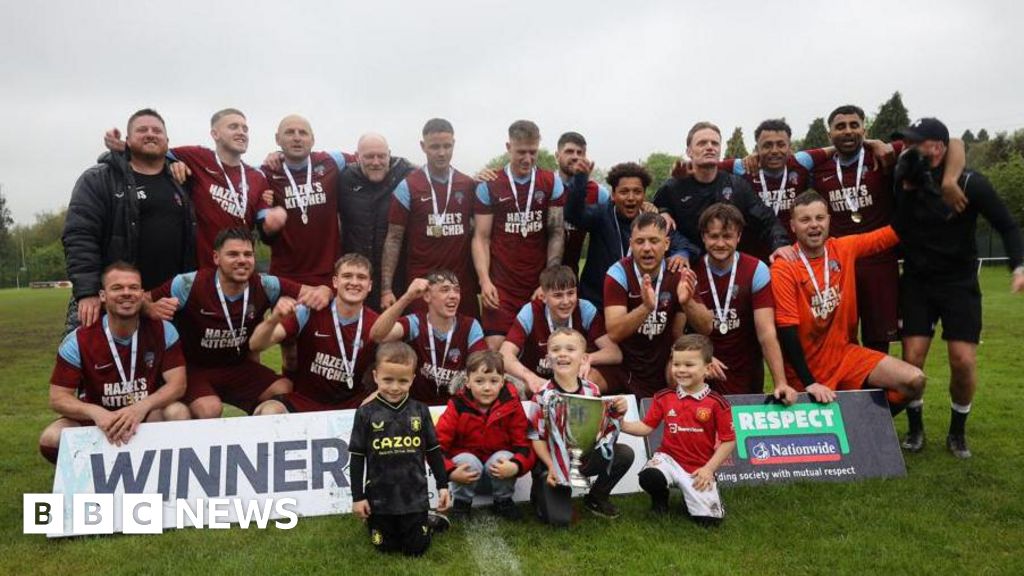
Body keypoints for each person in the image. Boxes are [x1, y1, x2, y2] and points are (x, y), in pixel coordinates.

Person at [891, 117, 1024, 457]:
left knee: (962, 361)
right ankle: (915, 429)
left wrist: (1019, 267)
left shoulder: (969, 182)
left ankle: (957, 432)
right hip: (917, 282)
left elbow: (1007, 226)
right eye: (906, 142)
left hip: (959, 283)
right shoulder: (904, 174)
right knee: (912, 358)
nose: (908, 147)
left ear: (937, 147)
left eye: (916, 142)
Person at [810, 104, 966, 353]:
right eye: (840, 127)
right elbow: (787, 162)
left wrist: (949, 180)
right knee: (837, 340)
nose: (848, 131)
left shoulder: (884, 154)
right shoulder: (819, 167)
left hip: (880, 261)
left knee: (878, 341)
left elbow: (954, 142)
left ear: (864, 130)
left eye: (854, 125)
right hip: (839, 265)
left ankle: (877, 381)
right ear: (829, 135)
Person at [147, 228, 332, 418]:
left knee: (283, 388)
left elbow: (317, 291)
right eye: (233, 254)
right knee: (209, 409)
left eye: (248, 254)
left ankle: (255, 431)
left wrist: (324, 291)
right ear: (216, 257)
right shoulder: (188, 284)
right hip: (195, 368)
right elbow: (144, 299)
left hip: (238, 366)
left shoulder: (265, 284)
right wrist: (150, 308)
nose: (242, 260)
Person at [771, 191, 925, 410]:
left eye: (819, 218)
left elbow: (890, 235)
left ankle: (868, 422)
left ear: (829, 220)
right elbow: (787, 331)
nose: (814, 225)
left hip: (845, 356)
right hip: (804, 370)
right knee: (826, 429)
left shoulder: (843, 248)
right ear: (793, 226)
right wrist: (809, 382)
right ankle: (854, 421)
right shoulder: (783, 267)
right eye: (805, 220)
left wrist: (915, 192)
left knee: (914, 381)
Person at [40, 263, 190, 463]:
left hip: (145, 416)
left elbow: (178, 385)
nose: (126, 293)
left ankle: (161, 474)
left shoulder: (164, 330)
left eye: (133, 287)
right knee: (51, 438)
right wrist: (95, 412)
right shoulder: (78, 340)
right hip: (97, 420)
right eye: (117, 288)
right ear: (103, 296)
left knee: (178, 412)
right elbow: (58, 398)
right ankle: (87, 475)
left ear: (142, 294)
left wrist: (141, 407)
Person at [63, 108, 196, 332]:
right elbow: (80, 237)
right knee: (99, 354)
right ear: (127, 141)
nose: (150, 134)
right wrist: (87, 292)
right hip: (115, 302)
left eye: (157, 131)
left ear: (167, 142)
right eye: (142, 130)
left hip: (169, 305)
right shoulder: (98, 179)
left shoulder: (183, 181)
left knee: (166, 355)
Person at [105, 108, 286, 269]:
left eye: (245, 129)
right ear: (215, 134)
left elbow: (264, 223)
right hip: (198, 270)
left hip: (238, 269)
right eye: (233, 127)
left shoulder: (257, 177)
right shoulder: (196, 156)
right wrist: (123, 146)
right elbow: (154, 152)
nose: (241, 132)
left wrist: (272, 223)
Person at [349, 342, 451, 556]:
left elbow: (433, 451)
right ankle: (377, 522)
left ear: (412, 379)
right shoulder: (365, 413)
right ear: (376, 376)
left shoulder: (420, 411)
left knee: (416, 550)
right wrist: (358, 497)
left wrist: (443, 485)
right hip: (380, 499)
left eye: (403, 381)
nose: (395, 387)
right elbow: (357, 457)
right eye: (388, 380)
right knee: (384, 548)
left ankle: (427, 520)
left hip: (414, 498)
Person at [621, 335, 736, 525]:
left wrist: (709, 469)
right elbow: (646, 427)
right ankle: (660, 500)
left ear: (707, 369)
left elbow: (729, 440)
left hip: (699, 467)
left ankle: (694, 495)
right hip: (669, 459)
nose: (681, 370)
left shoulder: (717, 403)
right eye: (676, 364)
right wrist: (622, 424)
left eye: (689, 365)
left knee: (708, 522)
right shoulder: (664, 397)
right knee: (650, 476)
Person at [473, 120, 566, 349]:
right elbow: (481, 237)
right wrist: (485, 281)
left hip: (537, 283)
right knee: (495, 348)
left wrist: (548, 281)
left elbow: (556, 233)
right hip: (501, 286)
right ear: (508, 147)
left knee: (540, 348)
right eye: (521, 152)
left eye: (533, 152)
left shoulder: (550, 182)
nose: (527, 159)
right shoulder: (490, 185)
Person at [525, 328, 634, 525]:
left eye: (570, 349)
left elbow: (600, 427)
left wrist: (619, 410)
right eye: (556, 350)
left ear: (583, 358)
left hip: (582, 457)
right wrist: (552, 466)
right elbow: (536, 438)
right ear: (548, 358)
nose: (562, 354)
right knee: (559, 520)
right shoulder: (541, 396)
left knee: (624, 454)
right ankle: (541, 490)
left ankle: (596, 498)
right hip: (552, 462)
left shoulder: (592, 390)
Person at [248, 254, 379, 415]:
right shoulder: (309, 310)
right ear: (335, 282)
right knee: (268, 411)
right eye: (347, 276)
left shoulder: (376, 324)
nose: (354, 282)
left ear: (370, 285)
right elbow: (256, 345)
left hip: (352, 405)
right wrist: (273, 319)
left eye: (361, 277)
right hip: (305, 401)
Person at [604, 212, 713, 398]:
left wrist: (687, 303)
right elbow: (614, 332)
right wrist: (646, 308)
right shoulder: (617, 274)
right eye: (640, 241)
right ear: (631, 244)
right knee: (594, 378)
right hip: (624, 365)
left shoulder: (678, 274)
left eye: (654, 241)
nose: (647, 248)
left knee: (681, 372)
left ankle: (684, 413)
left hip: (663, 362)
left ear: (667, 244)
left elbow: (706, 327)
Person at [692, 203, 794, 402]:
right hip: (704, 367)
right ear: (704, 237)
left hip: (746, 366)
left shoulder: (756, 270)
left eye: (727, 236)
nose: (720, 243)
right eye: (714, 236)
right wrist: (700, 357)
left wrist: (780, 382)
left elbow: (766, 332)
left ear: (738, 237)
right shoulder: (692, 271)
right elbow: (680, 332)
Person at [654, 121, 793, 263]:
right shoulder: (673, 187)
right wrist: (664, 212)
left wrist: (781, 244)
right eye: (702, 143)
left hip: (728, 267)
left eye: (714, 143)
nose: (709, 147)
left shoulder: (737, 186)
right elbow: (654, 217)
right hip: (688, 264)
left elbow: (766, 220)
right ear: (689, 151)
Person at [380, 119, 478, 316]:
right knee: (421, 334)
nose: (441, 153)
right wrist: (386, 289)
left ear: (454, 144)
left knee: (465, 333)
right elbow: (394, 238)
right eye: (434, 147)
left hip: (459, 285)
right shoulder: (407, 187)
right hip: (422, 285)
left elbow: (481, 233)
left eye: (447, 146)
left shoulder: (468, 184)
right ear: (423, 146)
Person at [566, 162, 688, 308]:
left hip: (638, 305)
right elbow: (572, 215)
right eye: (624, 192)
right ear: (613, 195)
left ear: (644, 194)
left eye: (637, 192)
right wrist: (580, 178)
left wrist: (681, 254)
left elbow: (682, 243)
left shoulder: (653, 220)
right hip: (599, 303)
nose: (631, 197)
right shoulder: (601, 215)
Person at [435, 350, 533, 520]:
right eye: (479, 381)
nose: (487, 388)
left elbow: (525, 445)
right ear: (467, 382)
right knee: (467, 460)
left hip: (499, 473)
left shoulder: (512, 404)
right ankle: (461, 504)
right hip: (465, 474)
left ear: (502, 381)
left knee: (503, 457)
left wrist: (516, 466)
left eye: (493, 381)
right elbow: (435, 446)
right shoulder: (456, 405)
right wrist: (450, 472)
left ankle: (503, 501)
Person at [370, 270, 487, 405]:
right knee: (371, 401)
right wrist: (408, 297)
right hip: (415, 407)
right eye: (445, 290)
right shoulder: (415, 323)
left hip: (456, 407)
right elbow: (378, 336)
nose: (453, 296)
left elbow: (481, 367)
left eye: (456, 290)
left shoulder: (470, 326)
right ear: (427, 296)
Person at [500, 264, 621, 394]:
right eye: (558, 295)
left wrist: (588, 358)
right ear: (543, 296)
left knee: (592, 378)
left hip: (576, 377)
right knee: (519, 385)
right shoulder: (531, 311)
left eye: (571, 293)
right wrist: (529, 376)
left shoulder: (584, 309)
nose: (566, 301)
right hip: (539, 378)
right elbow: (504, 355)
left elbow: (615, 353)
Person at [261, 114, 351, 286]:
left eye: (303, 133)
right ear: (277, 139)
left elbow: (369, 157)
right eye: (289, 132)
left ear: (312, 139)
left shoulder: (331, 161)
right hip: (285, 275)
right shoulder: (265, 173)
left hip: (329, 273)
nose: (297, 138)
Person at [337, 133, 415, 310]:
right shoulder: (344, 179)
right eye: (369, 157)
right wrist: (279, 156)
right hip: (356, 278)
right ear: (357, 157)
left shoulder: (406, 175)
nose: (376, 162)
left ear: (389, 155)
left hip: (398, 279)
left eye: (381, 156)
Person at [553, 131, 610, 274]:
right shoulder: (544, 186)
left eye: (580, 153)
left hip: (572, 273)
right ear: (557, 156)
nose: (575, 157)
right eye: (569, 151)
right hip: (539, 273)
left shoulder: (598, 192)